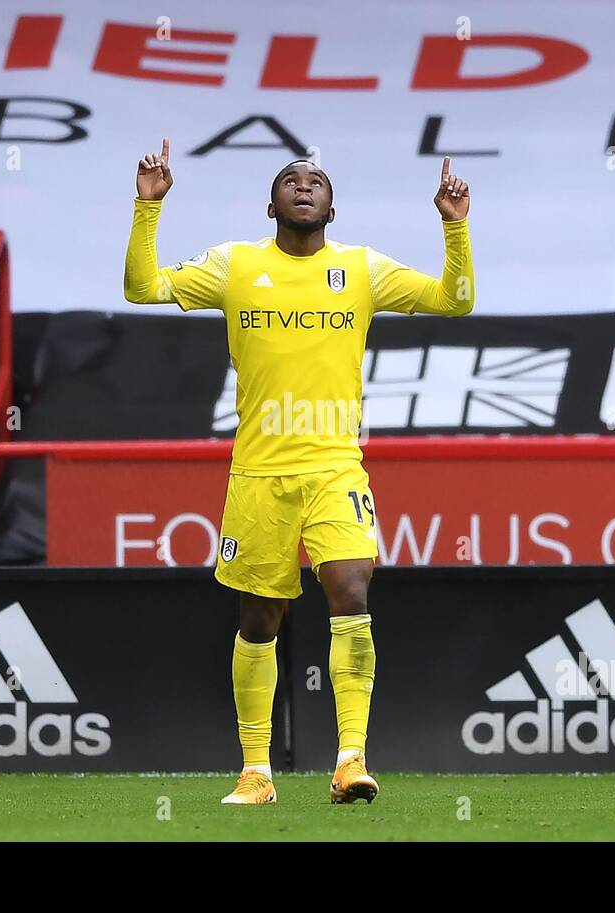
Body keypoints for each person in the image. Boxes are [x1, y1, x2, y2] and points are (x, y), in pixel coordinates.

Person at [123, 138, 474, 804]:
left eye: (315, 181)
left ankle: (350, 760)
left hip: (336, 466)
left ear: (333, 208)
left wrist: (455, 230)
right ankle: (256, 771)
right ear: (271, 204)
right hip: (259, 475)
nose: (303, 186)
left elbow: (453, 301)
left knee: (351, 587)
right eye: (290, 179)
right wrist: (149, 209)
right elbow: (143, 287)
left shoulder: (362, 269)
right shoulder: (235, 265)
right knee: (259, 621)